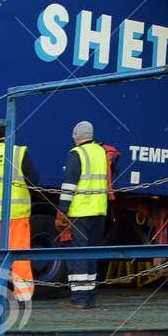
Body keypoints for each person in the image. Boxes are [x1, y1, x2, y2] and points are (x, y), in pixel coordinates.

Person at [0, 126, 40, 307]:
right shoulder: (19, 152)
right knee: (18, 254)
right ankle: (23, 296)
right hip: (16, 215)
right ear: (12, 134)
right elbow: (34, 180)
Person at [58, 120, 112, 308]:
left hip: (81, 211)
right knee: (92, 253)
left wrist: (62, 210)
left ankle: (79, 299)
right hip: (99, 211)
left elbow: (69, 186)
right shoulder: (101, 152)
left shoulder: (77, 154)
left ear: (77, 137)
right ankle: (89, 297)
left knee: (78, 254)